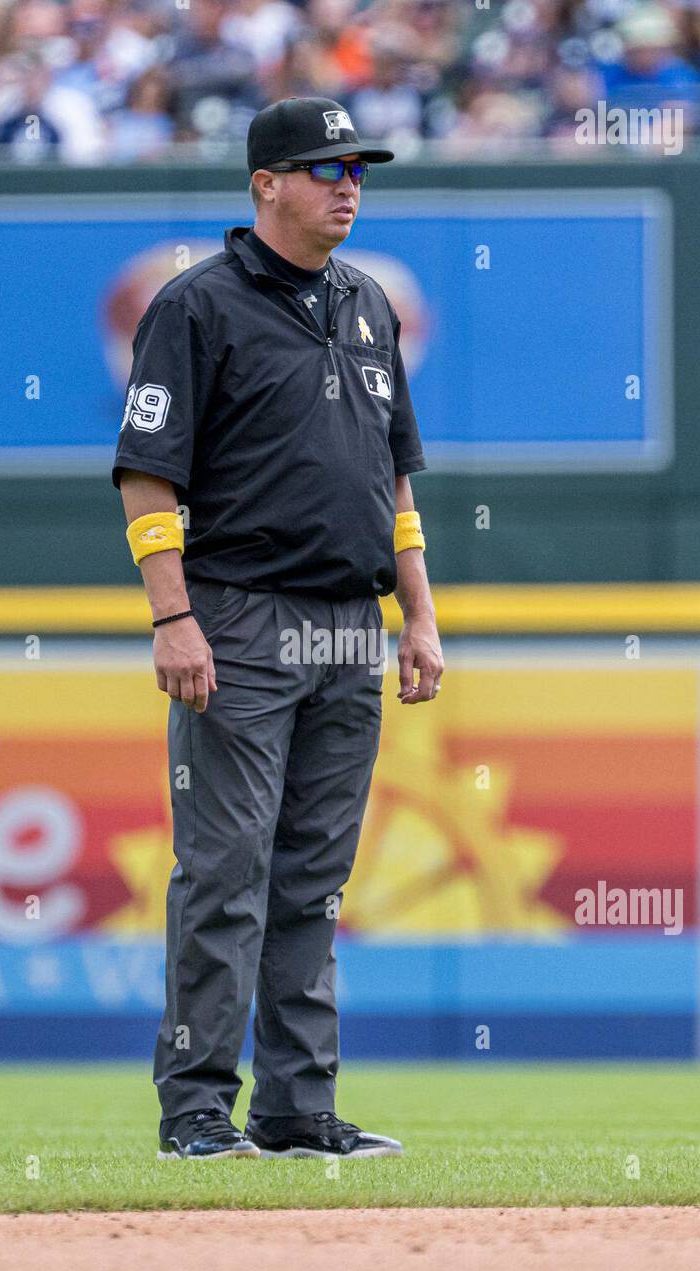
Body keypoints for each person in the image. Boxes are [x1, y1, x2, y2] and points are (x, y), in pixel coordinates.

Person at [113, 96, 443, 1160]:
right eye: (326, 167)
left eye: (358, 167)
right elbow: (146, 470)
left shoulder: (365, 303)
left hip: (351, 624)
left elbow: (391, 480)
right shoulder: (197, 305)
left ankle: (296, 1108)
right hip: (239, 616)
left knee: (314, 874)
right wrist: (173, 615)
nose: (349, 183)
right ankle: (196, 1109)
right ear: (266, 183)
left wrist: (419, 615)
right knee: (225, 866)